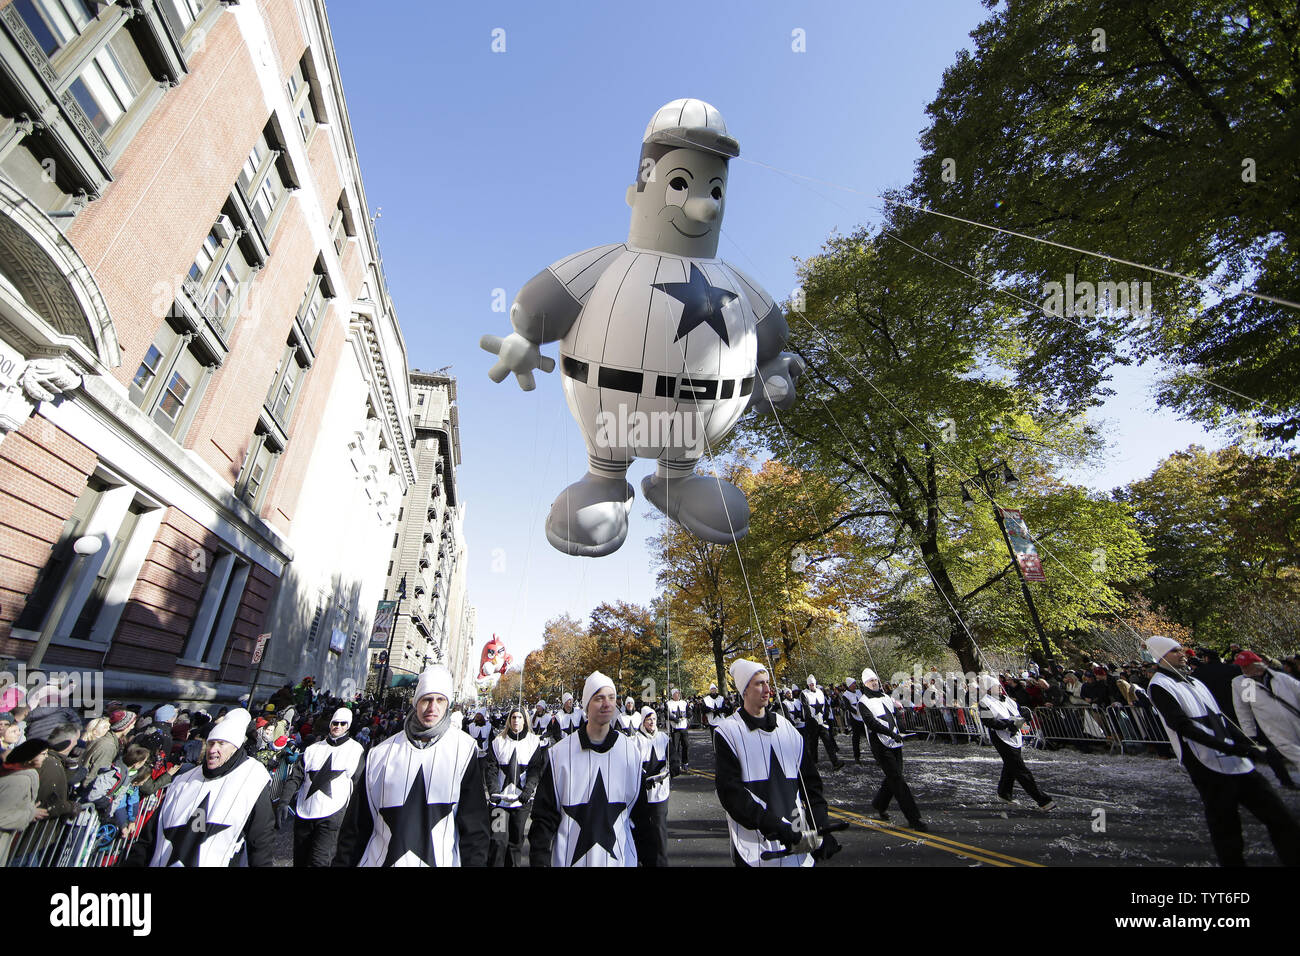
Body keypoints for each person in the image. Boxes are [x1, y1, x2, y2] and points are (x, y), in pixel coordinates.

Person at [1147, 637, 1299, 866]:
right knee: (1226, 829)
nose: (1183, 653)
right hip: (1205, 762)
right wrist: (1234, 746)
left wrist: (1248, 743)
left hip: (1234, 759)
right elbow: (1182, 725)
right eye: (1175, 651)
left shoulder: (1195, 682)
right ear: (1160, 656)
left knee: (1279, 817)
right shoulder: (1159, 685)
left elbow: (1222, 720)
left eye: (1181, 649)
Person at [334, 666, 489, 867]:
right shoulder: (380, 754)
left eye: (440, 700)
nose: (433, 707)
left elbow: (475, 827)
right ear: (416, 703)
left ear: (448, 705)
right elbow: (355, 826)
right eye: (426, 699)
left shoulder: (464, 750)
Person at [714, 659, 839, 867]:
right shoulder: (727, 732)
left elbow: (811, 784)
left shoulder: (787, 728)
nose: (767, 689)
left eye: (767, 683)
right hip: (755, 849)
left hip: (799, 847)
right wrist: (775, 827)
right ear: (744, 690)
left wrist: (821, 827)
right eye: (759, 683)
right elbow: (731, 794)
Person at [125, 708, 276, 867]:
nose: (213, 750)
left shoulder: (253, 779)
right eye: (211, 743)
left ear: (235, 747)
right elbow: (150, 836)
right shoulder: (183, 780)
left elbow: (261, 843)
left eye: (221, 744)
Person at [529, 671, 647, 867]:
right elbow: (543, 819)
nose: (607, 704)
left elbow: (642, 818)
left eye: (611, 697)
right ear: (586, 705)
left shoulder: (631, 752)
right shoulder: (559, 754)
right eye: (599, 698)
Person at [280, 707, 365, 866]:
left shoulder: (355, 750)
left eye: (342, 723)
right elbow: (296, 776)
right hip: (305, 812)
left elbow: (358, 784)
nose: (338, 726)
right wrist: (284, 801)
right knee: (300, 859)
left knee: (319, 861)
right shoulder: (313, 749)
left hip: (333, 814)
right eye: (335, 723)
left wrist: (353, 818)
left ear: (348, 725)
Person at [857, 669, 927, 831]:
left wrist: (901, 730)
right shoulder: (863, 702)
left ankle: (879, 803)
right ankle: (914, 818)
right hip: (880, 744)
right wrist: (890, 733)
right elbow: (871, 723)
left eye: (876, 680)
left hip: (895, 741)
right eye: (870, 681)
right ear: (865, 684)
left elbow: (894, 717)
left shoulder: (886, 697)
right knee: (897, 780)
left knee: (894, 776)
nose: (874, 683)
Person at [978, 678, 1055, 810]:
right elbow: (988, 722)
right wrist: (1008, 726)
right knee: (1020, 768)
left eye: (1000, 686)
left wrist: (1024, 715)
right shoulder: (984, 703)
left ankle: (1004, 793)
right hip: (1001, 737)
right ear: (990, 688)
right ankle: (1042, 800)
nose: (1000, 688)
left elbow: (1019, 711)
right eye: (997, 686)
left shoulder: (1007, 699)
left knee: (1011, 765)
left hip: (1015, 736)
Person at [1231, 651, 1300, 789]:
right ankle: (1286, 782)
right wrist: (1250, 733)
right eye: (1242, 666)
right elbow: (1243, 709)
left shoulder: (1281, 678)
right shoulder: (1243, 683)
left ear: (1257, 664)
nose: (1244, 669)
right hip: (1274, 728)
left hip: (1295, 721)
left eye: (1247, 666)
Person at [487, 708, 546, 867]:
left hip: (521, 803)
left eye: (520, 717)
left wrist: (528, 789)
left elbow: (535, 769)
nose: (516, 720)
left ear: (525, 720)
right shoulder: (498, 741)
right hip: (500, 802)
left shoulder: (533, 742)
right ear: (509, 720)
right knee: (497, 841)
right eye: (513, 717)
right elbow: (491, 768)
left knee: (515, 843)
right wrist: (493, 791)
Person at [0, 739, 49, 864]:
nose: (46, 757)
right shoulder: (20, 781)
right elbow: (3, 817)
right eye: (43, 754)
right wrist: (30, 813)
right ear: (31, 756)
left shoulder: (14, 774)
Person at [633, 706, 671, 866]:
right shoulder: (636, 740)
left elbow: (672, 757)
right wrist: (642, 778)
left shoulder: (663, 738)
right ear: (643, 721)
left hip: (661, 792)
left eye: (654, 719)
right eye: (649, 719)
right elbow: (633, 764)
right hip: (643, 793)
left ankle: (661, 862)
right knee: (643, 828)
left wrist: (673, 766)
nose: (652, 722)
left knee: (660, 828)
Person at [800, 675, 844, 771]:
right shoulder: (804, 693)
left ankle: (835, 762)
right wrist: (811, 720)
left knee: (828, 742)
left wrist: (826, 716)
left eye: (813, 683)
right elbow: (806, 707)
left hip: (822, 722)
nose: (812, 685)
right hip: (812, 723)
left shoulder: (820, 692)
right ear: (808, 684)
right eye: (810, 684)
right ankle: (813, 764)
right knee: (813, 744)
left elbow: (826, 705)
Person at [665, 688, 690, 772]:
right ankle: (677, 763)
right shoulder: (668, 703)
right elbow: (666, 714)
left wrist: (689, 715)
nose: (677, 695)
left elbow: (689, 712)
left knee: (686, 745)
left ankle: (685, 762)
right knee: (676, 747)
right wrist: (674, 719)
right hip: (675, 728)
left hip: (683, 726)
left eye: (678, 693)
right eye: (675, 693)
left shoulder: (684, 703)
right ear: (672, 695)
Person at [843, 677, 866, 764]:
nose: (855, 685)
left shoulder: (859, 692)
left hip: (863, 717)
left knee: (869, 736)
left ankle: (877, 756)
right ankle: (857, 756)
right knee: (856, 738)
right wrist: (856, 712)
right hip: (854, 718)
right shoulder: (845, 695)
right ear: (849, 685)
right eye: (853, 684)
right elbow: (848, 706)